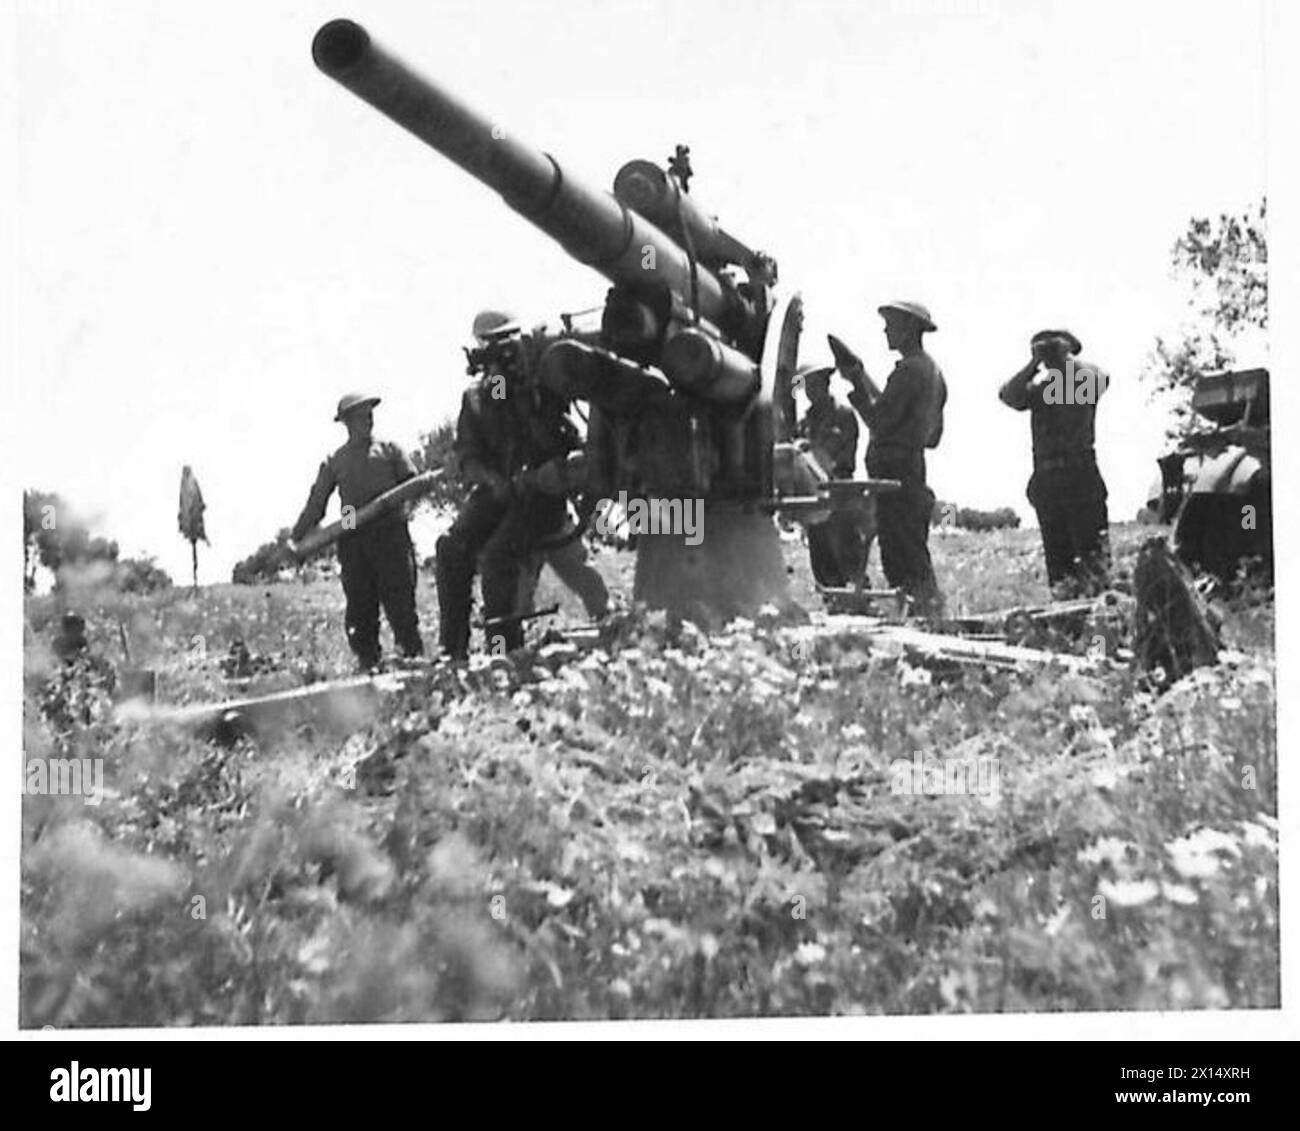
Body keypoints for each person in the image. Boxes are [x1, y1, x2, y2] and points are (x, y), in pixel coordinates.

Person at [436, 311, 584, 658]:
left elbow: (563, 441)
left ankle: (503, 650)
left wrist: (524, 390)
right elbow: (468, 456)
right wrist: (492, 480)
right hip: (499, 493)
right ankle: (452, 650)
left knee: (497, 558)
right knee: (451, 547)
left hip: (540, 497)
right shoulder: (477, 397)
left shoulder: (542, 384)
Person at [290, 393, 424, 671]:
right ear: (348, 422)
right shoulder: (336, 460)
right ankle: (368, 664)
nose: (368, 420)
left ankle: (412, 658)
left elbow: (414, 484)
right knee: (360, 609)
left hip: (391, 536)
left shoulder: (390, 449)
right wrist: (296, 538)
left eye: (369, 414)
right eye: (361, 415)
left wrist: (404, 509)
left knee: (401, 604)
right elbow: (317, 505)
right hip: (353, 537)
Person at [839, 300, 947, 615]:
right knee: (911, 549)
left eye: (892, 324)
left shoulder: (909, 370)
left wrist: (856, 386)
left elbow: (881, 420)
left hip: (894, 474)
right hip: (911, 470)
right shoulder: (931, 371)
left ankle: (928, 620)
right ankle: (928, 616)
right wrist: (861, 375)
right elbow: (933, 436)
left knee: (901, 557)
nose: (886, 330)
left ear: (910, 329)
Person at [998, 329, 1110, 595]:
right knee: (1058, 560)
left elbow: (1102, 379)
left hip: (1080, 473)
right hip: (1048, 478)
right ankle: (1065, 613)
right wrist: (1032, 364)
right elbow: (1008, 396)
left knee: (1093, 556)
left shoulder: (1082, 379)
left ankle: (1102, 624)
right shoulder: (1040, 388)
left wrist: (1066, 360)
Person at [795, 361, 874, 588]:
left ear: (826, 383)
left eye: (815, 385)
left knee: (846, 547)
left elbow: (845, 452)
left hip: (840, 491)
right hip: (814, 492)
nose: (811, 391)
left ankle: (858, 593)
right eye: (808, 386)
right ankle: (832, 594)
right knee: (819, 548)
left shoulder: (843, 414)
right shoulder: (806, 421)